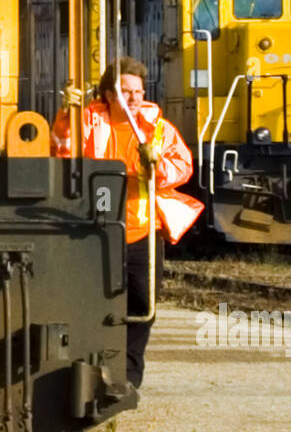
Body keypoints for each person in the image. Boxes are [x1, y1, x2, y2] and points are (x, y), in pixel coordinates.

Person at [51, 58, 202, 395]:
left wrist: (156, 165)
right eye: (126, 91)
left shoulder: (158, 128)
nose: (134, 98)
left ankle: (129, 376)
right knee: (91, 301)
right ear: (107, 94)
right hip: (93, 234)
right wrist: (64, 117)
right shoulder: (85, 122)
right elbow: (61, 155)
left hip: (141, 233)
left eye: (139, 91)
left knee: (144, 305)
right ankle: (87, 366)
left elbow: (184, 167)